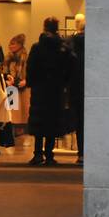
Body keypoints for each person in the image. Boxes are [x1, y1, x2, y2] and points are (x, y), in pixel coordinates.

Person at [25, 17, 74, 166]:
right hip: (56, 90)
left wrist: (31, 83)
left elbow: (31, 68)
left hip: (40, 90)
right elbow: (69, 68)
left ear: (44, 27)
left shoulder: (37, 47)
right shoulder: (63, 48)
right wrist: (64, 84)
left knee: (39, 123)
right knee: (53, 123)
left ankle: (38, 154)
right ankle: (50, 155)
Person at [69, 13, 86, 165]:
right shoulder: (95, 45)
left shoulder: (71, 45)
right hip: (92, 89)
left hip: (76, 89)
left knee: (80, 122)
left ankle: (81, 154)